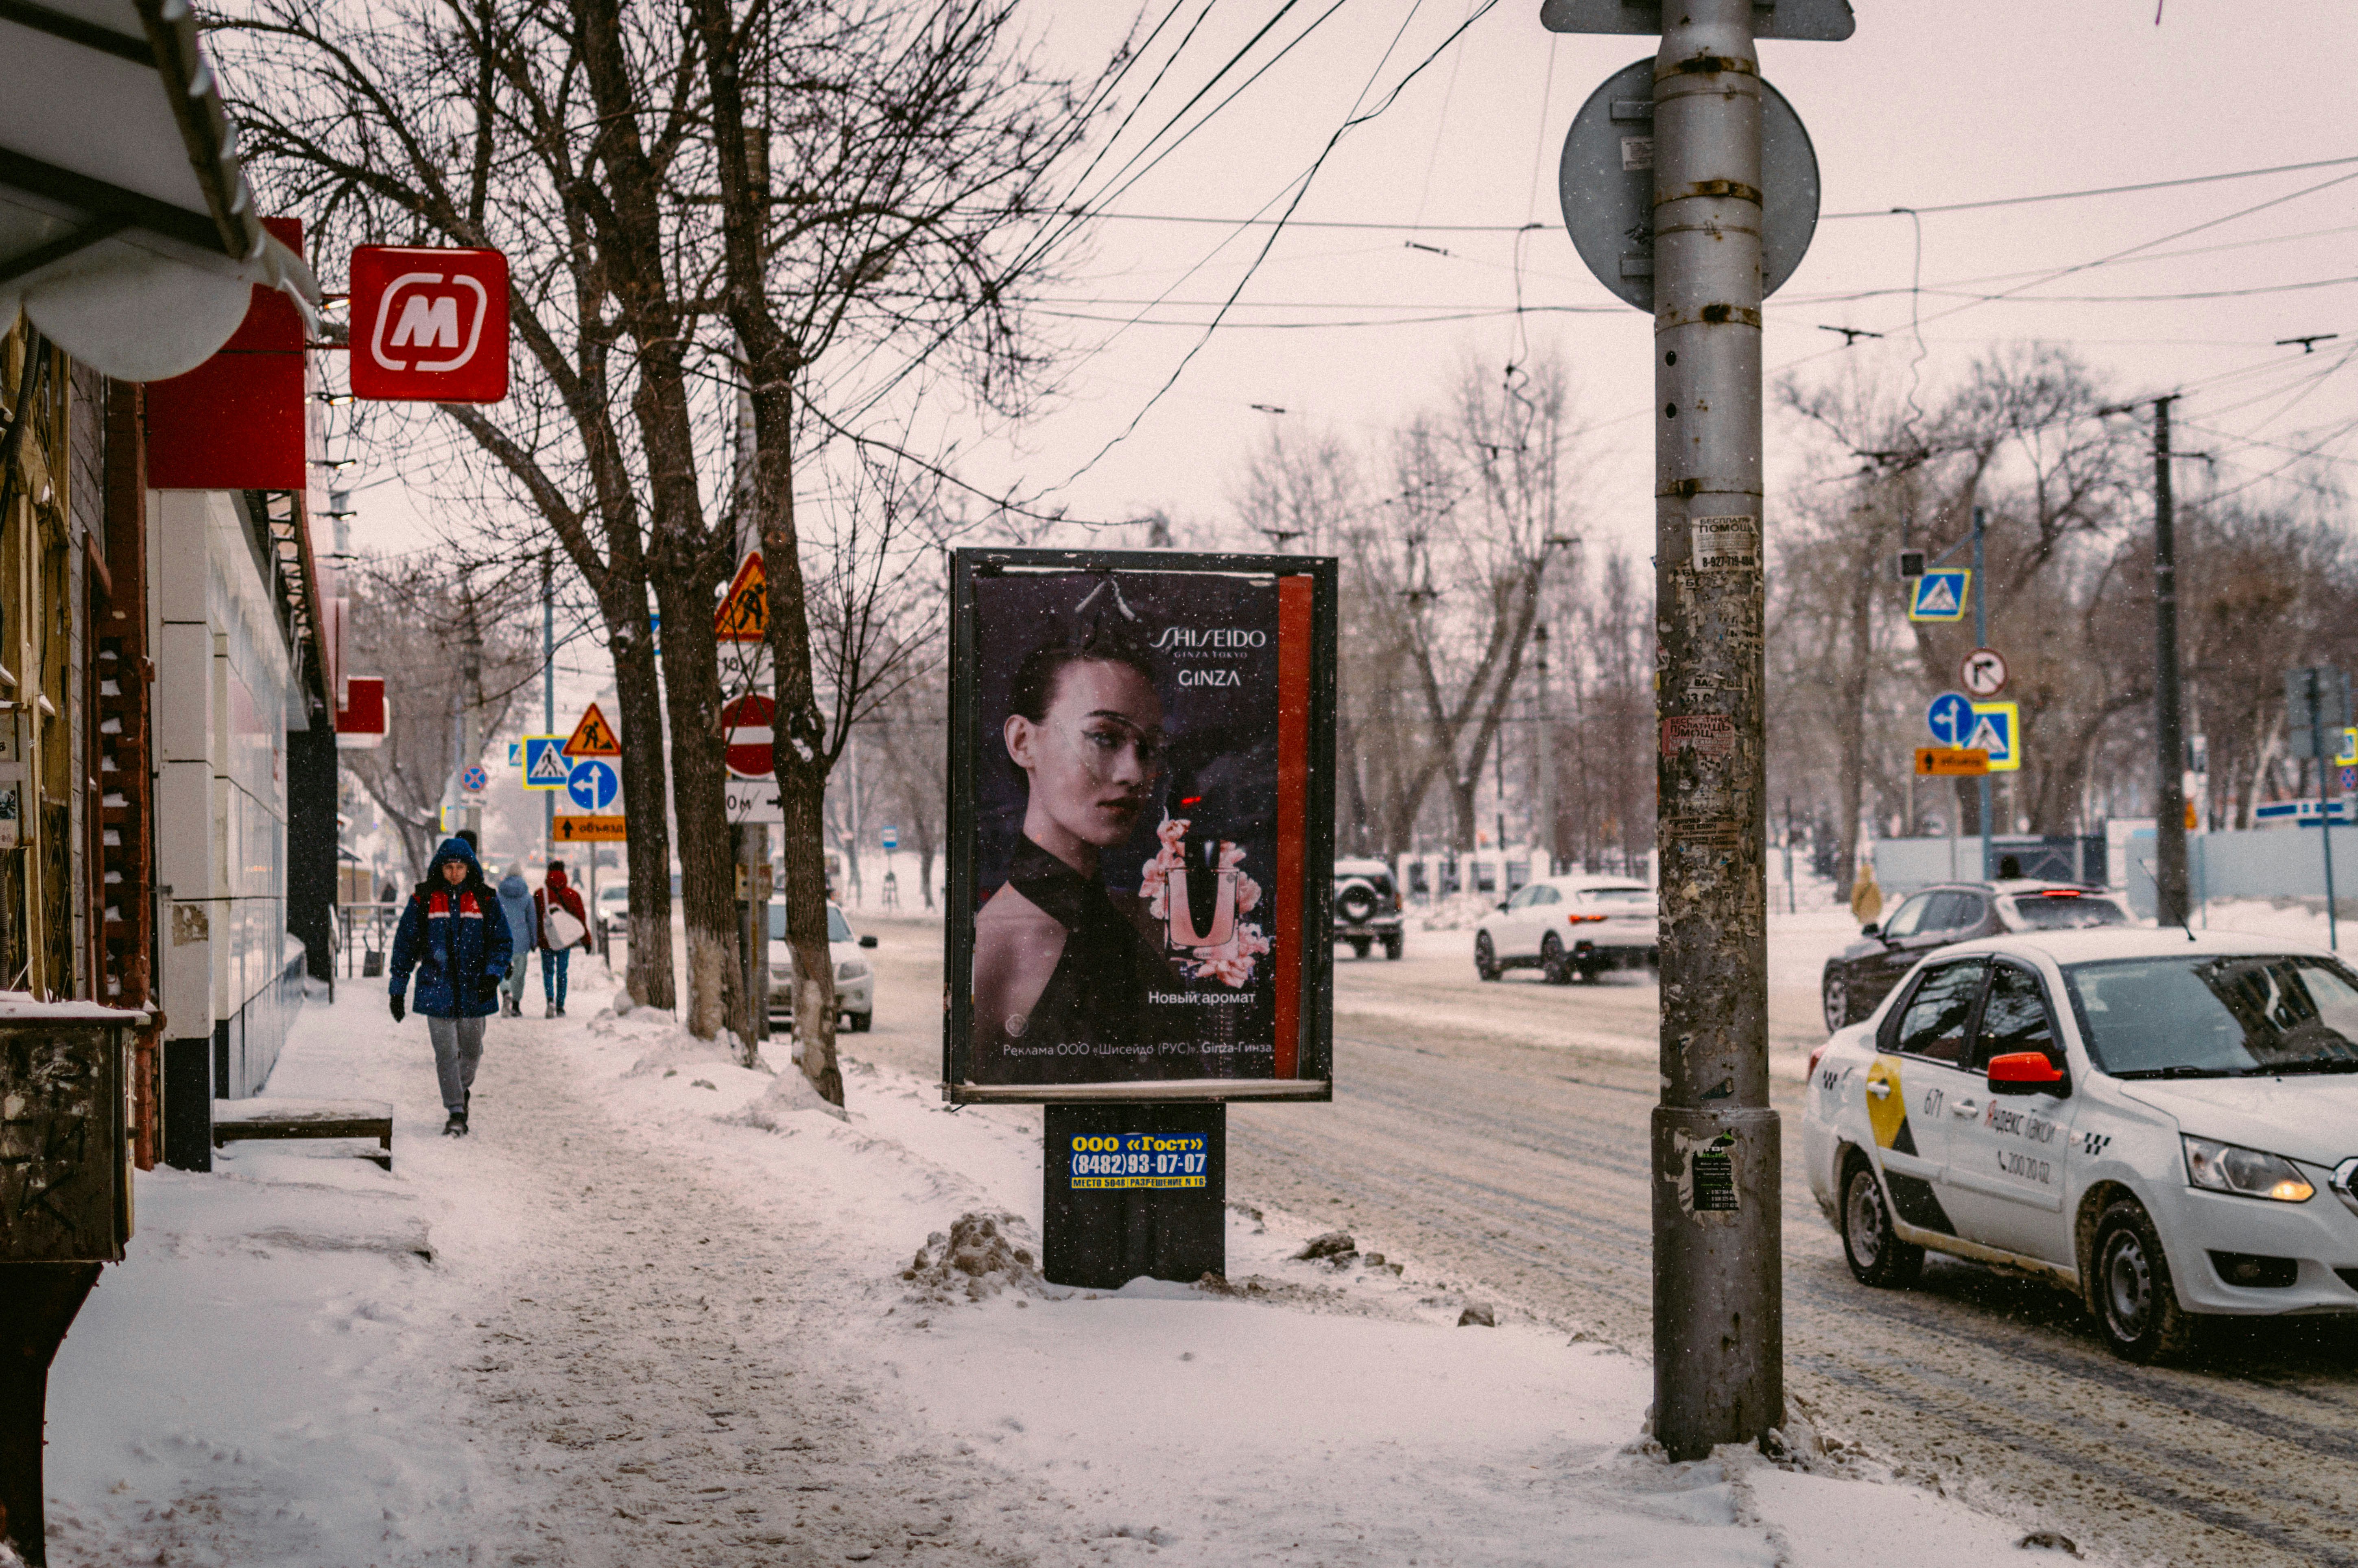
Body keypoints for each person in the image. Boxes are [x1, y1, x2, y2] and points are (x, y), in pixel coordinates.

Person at [972, 622, 1177, 1069]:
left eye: (1149, 747)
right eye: (1104, 736)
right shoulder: (995, 944)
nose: (1134, 774)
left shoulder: (1143, 921)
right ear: (1023, 742)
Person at [388, 836, 513, 1137]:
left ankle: (461, 1089)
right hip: (436, 988)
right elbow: (405, 946)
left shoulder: (486, 899)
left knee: (472, 1050)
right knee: (445, 1053)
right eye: (449, 867)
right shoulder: (424, 900)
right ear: (440, 868)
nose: (455, 873)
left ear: (469, 868)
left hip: (475, 989)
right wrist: (398, 988)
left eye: (460, 867)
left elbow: (502, 942)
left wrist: (492, 975)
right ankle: (456, 1112)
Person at [534, 860, 592, 1017]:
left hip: (546, 940)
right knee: (562, 973)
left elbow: (536, 920)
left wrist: (536, 940)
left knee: (548, 972)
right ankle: (560, 1006)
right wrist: (587, 941)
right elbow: (581, 919)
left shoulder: (540, 894)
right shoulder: (572, 895)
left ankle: (550, 1000)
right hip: (565, 941)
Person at [494, 863, 539, 1017]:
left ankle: (506, 992)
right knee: (519, 975)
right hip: (521, 941)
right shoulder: (527, 896)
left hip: (502, 939)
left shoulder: (499, 896)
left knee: (502, 970)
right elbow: (532, 920)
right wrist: (534, 941)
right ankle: (516, 1006)